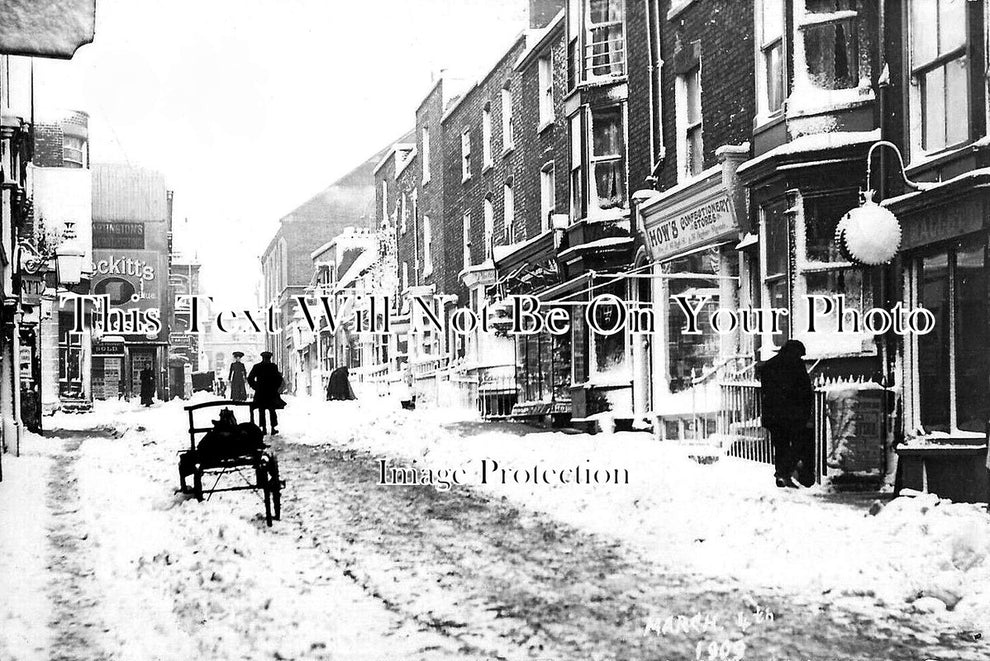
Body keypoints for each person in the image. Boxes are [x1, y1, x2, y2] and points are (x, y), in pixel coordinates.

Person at [759, 340, 813, 488]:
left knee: (780, 446)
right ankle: (783, 472)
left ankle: (782, 478)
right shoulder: (796, 364)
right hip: (792, 414)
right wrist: (805, 411)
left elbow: (766, 392)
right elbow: (804, 390)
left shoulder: (769, 365)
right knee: (799, 444)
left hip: (773, 415)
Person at [247, 351, 286, 435]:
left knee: (261, 410)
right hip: (271, 393)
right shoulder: (273, 367)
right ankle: (272, 428)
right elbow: (279, 379)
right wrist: (276, 388)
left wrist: (255, 386)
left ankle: (264, 429)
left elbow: (250, 378)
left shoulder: (257, 366)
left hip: (260, 393)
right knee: (272, 410)